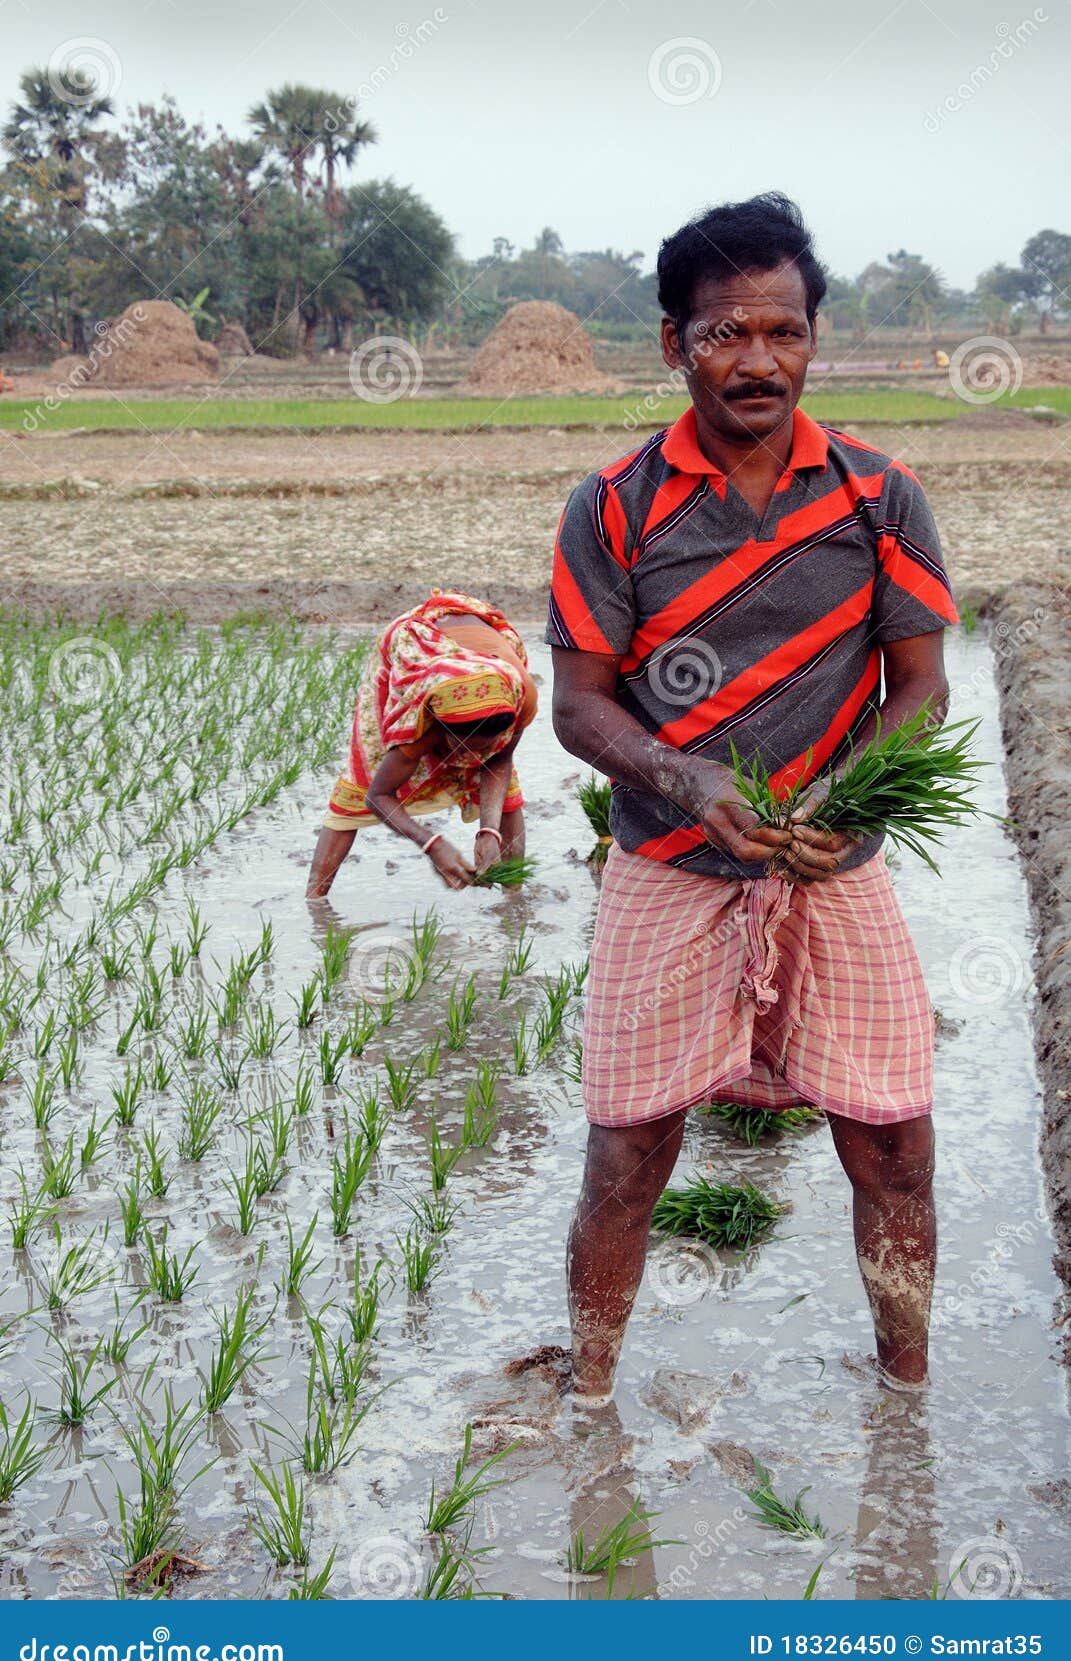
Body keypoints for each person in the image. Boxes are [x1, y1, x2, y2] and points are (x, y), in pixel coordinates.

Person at [547, 192, 958, 1405]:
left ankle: (908, 1396)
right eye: (727, 333)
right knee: (629, 1152)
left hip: (839, 863)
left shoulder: (880, 496)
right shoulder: (613, 507)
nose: (758, 361)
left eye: (784, 331)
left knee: (894, 1142)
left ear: (816, 337)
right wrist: (686, 774)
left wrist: (850, 787)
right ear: (675, 343)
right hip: (670, 866)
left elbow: (922, 682)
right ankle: (587, 1396)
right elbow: (579, 704)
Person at [306, 591, 537, 897]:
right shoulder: (419, 716)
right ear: (437, 730)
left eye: (483, 747)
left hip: (486, 654)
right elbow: (378, 796)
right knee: (362, 779)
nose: (470, 757)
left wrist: (489, 830)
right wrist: (430, 843)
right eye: (461, 747)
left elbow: (500, 761)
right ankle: (315, 901)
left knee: (503, 789)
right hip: (414, 650)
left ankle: (513, 897)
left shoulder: (519, 699)